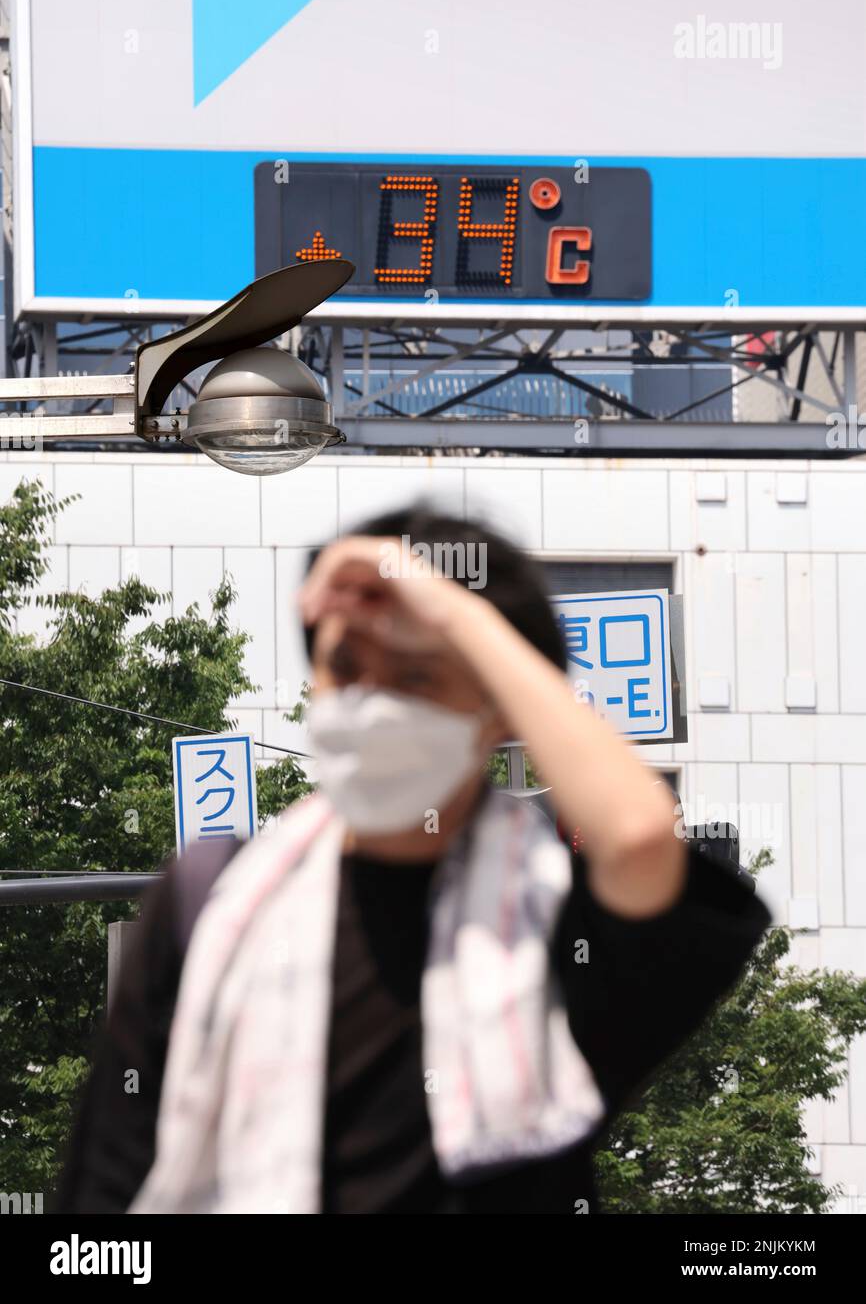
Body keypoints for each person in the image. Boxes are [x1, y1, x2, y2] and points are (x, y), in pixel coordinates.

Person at [55, 506, 769, 1215]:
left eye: (417, 677)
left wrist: (453, 611)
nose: (370, 700)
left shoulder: (555, 921)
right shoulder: (212, 900)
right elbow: (104, 1194)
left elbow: (640, 835)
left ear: (497, 712)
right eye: (344, 666)